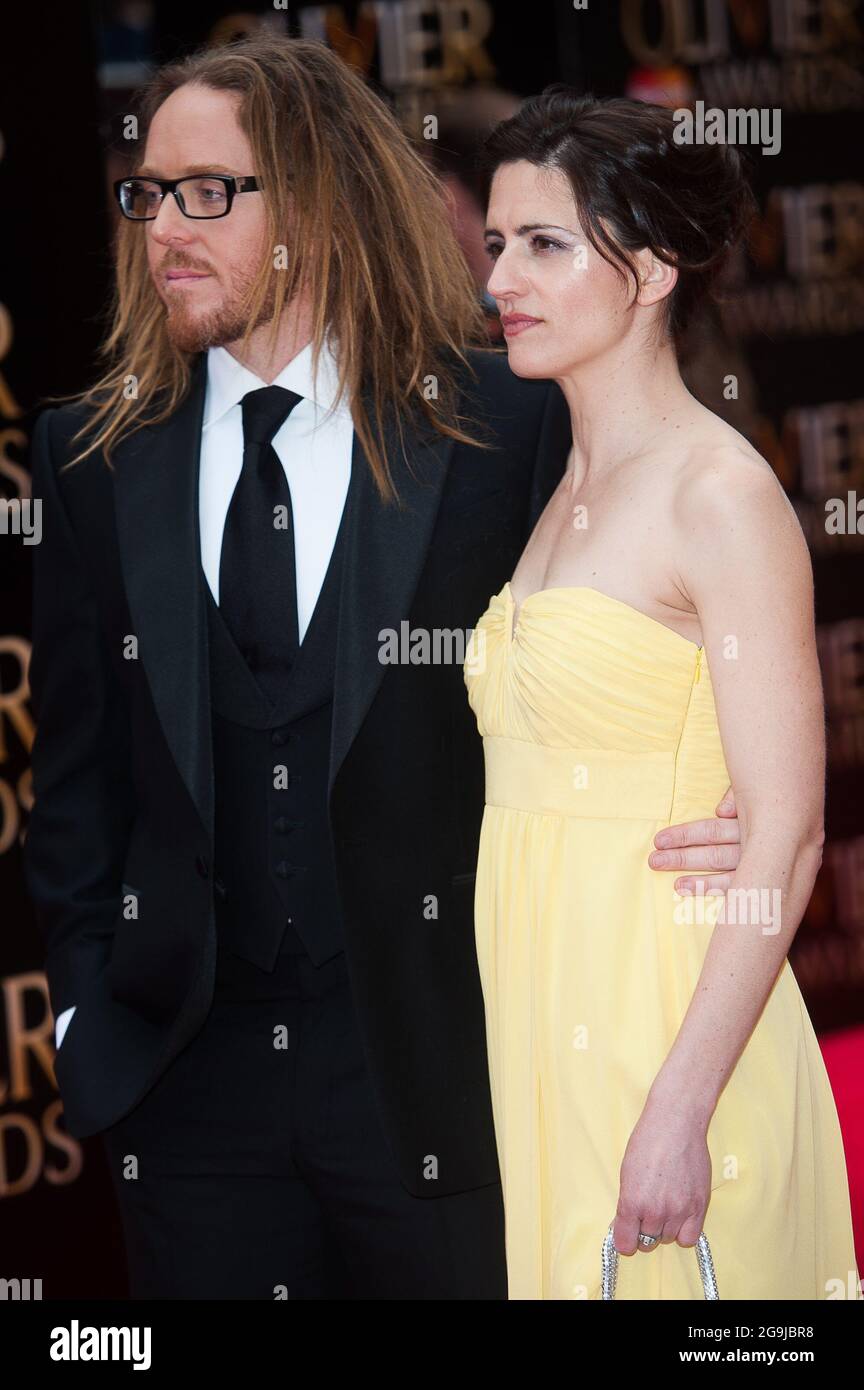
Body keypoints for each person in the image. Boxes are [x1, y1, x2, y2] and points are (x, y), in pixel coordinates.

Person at [25, 39, 742, 1300]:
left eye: (209, 192)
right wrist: (90, 1018)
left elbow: (623, 635)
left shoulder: (500, 420)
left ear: (313, 201)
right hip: (188, 1091)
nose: (163, 228)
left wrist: (731, 788)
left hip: (447, 1069)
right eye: (147, 193)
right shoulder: (92, 455)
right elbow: (77, 778)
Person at [464, 88, 862, 1301]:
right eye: (495, 244)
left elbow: (785, 837)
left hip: (670, 1026)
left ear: (650, 268)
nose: (500, 282)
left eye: (544, 244)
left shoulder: (717, 497)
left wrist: (679, 1110)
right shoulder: (559, 485)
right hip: (546, 1014)